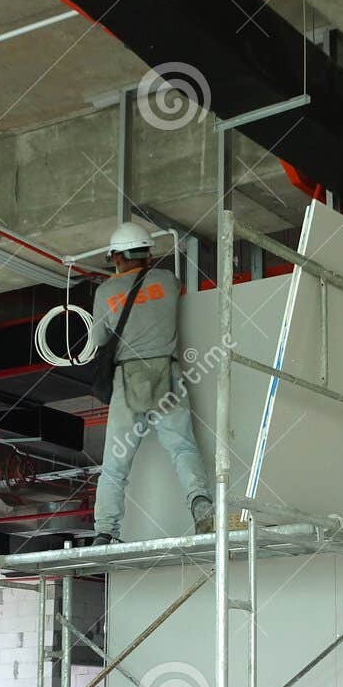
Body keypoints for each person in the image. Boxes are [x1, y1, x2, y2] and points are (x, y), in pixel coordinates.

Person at [91, 220, 213, 545]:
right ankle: (201, 508)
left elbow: (99, 338)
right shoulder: (168, 281)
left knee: (116, 464)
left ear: (116, 257)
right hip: (167, 373)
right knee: (182, 446)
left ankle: (105, 532)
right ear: (146, 253)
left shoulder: (105, 292)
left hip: (127, 377)